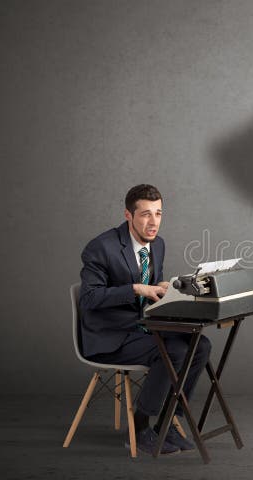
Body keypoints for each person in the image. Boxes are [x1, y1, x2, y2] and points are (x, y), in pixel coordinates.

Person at [79, 184, 210, 454]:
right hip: (109, 335)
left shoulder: (157, 245)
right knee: (172, 350)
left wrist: (164, 288)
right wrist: (137, 288)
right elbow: (89, 298)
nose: (153, 223)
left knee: (201, 345)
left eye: (159, 214)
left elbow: (149, 290)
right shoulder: (101, 248)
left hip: (142, 328)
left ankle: (167, 423)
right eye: (145, 214)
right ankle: (138, 428)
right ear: (128, 215)